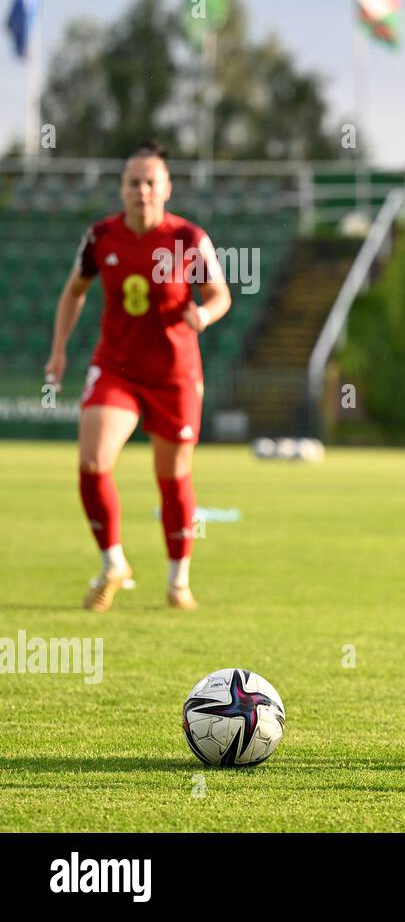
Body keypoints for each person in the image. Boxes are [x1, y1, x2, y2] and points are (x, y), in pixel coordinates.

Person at [44, 140, 231, 612]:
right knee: (91, 461)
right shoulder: (101, 237)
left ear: (166, 187)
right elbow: (74, 292)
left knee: (172, 477)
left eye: (151, 182)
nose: (142, 190)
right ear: (121, 189)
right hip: (117, 368)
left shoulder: (189, 238)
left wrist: (204, 316)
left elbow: (220, 294)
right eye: (133, 182)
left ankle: (178, 581)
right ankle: (113, 564)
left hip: (174, 372)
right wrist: (59, 350)